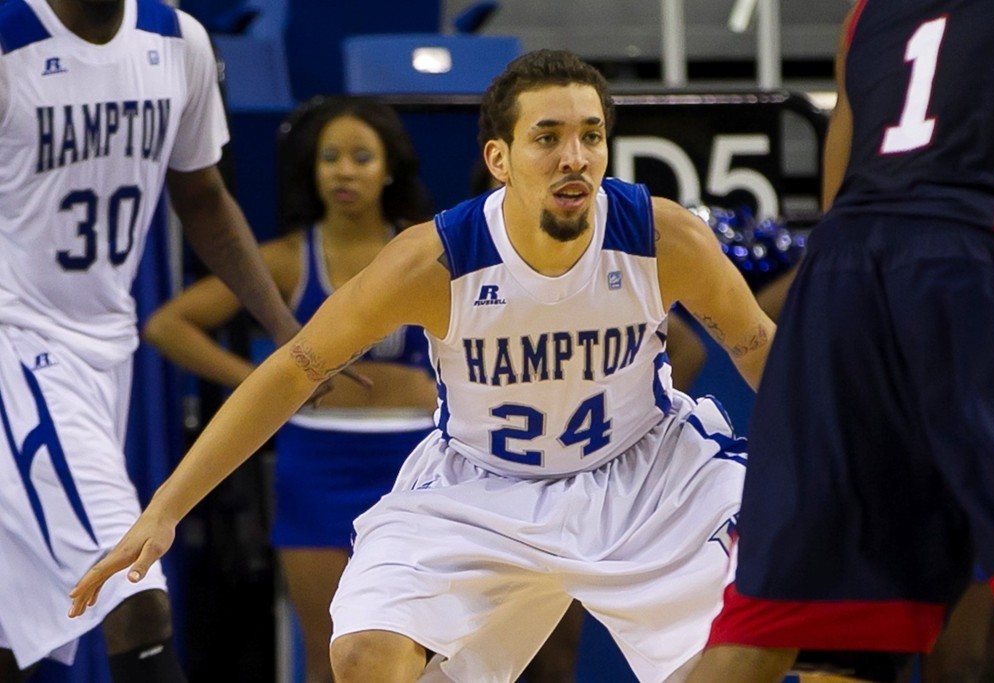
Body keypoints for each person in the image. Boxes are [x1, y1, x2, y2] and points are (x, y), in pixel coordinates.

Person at [70, 49, 776, 682]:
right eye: (548, 137)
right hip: (483, 485)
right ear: (499, 159)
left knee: (747, 650)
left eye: (591, 136)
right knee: (363, 656)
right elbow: (294, 369)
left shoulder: (661, 236)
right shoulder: (435, 260)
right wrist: (165, 509)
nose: (575, 157)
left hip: (644, 479)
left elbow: (756, 348)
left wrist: (833, 461)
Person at [0, 0, 339, 680]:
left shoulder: (177, 40)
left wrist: (286, 329)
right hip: (19, 346)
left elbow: (203, 196)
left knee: (18, 624)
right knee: (135, 587)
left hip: (106, 350)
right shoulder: (11, 40)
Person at [688, 1, 994, 681]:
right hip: (971, 262)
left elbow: (838, 198)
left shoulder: (866, 13)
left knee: (792, 626)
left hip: (840, 280)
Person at [142, 95, 437, 683]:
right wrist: (263, 381)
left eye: (361, 157)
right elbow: (166, 325)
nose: (344, 171)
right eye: (330, 157)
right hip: (317, 464)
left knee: (428, 655)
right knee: (328, 653)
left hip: (416, 463)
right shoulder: (287, 258)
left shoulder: (425, 250)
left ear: (389, 169)